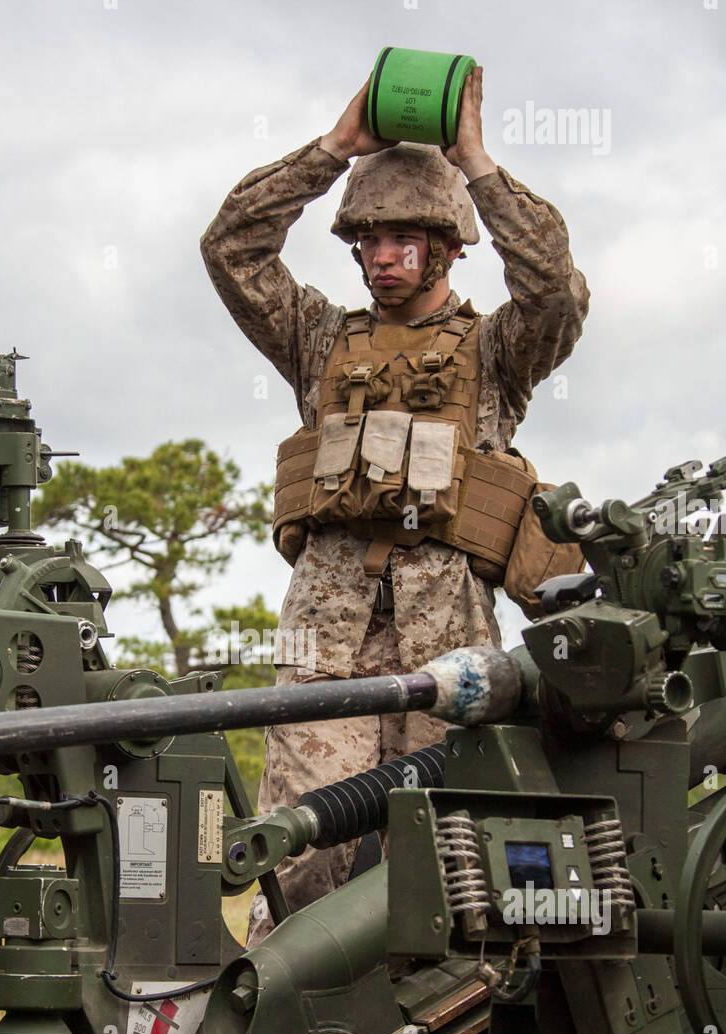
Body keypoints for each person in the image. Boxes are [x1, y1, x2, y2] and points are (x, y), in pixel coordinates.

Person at [201, 68, 590, 945]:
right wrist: (334, 151)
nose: (380, 256)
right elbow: (232, 248)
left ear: (448, 246)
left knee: (451, 866)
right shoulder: (318, 338)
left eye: (402, 237)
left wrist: (477, 165)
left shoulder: (497, 349)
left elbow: (557, 290)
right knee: (300, 862)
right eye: (366, 241)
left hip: (448, 642)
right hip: (324, 645)